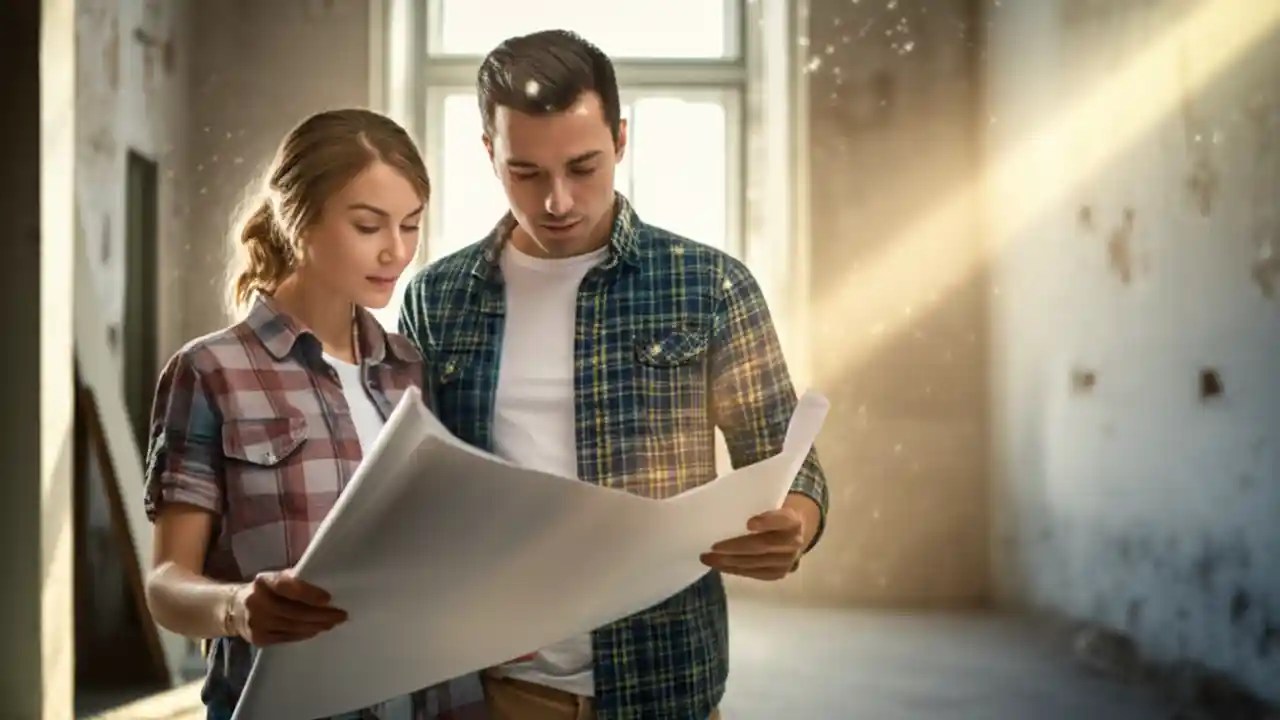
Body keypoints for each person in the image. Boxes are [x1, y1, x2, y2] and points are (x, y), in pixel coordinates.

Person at [398, 30, 830, 720]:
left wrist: (794, 526)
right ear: (488, 153)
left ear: (621, 140)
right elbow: (408, 482)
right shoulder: (437, 299)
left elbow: (788, 456)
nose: (558, 201)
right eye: (527, 173)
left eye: (584, 166)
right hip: (495, 687)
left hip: (665, 678)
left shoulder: (708, 285)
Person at [142, 109, 486, 720]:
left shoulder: (410, 366)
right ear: (299, 220)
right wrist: (240, 607)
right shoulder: (211, 371)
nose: (396, 251)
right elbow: (166, 583)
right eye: (367, 225)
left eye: (410, 226)